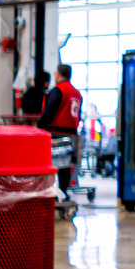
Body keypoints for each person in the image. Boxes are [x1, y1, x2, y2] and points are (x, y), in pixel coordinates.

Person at [37, 64, 83, 196]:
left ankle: (50, 191)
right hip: (71, 133)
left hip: (56, 131)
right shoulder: (77, 93)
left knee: (51, 163)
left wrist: (40, 127)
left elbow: (49, 111)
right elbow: (78, 114)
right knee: (65, 164)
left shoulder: (58, 90)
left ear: (58, 74)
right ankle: (63, 191)